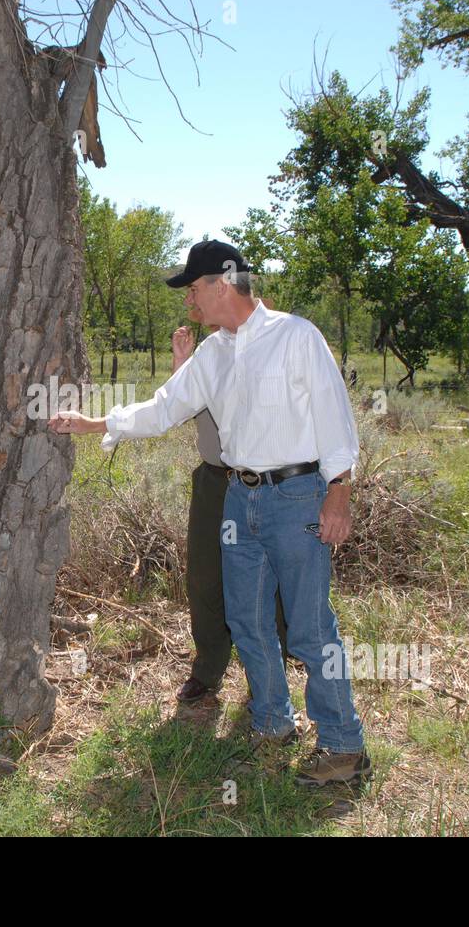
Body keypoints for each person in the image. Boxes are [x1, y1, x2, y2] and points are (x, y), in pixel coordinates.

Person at [50, 239, 371, 788]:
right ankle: (272, 723)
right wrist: (97, 424)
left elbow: (333, 414)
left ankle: (343, 747)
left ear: (223, 284)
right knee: (246, 620)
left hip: (297, 496)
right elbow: (166, 406)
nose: (189, 301)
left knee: (311, 628)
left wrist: (338, 491)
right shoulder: (214, 353)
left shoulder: (295, 336)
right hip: (237, 497)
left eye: (193, 289)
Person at [171, 300, 291, 706]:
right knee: (205, 578)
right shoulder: (209, 357)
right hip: (213, 483)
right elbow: (177, 406)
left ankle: (271, 676)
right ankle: (208, 669)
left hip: (260, 484)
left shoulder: (276, 359)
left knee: (268, 581)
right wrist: (182, 362)